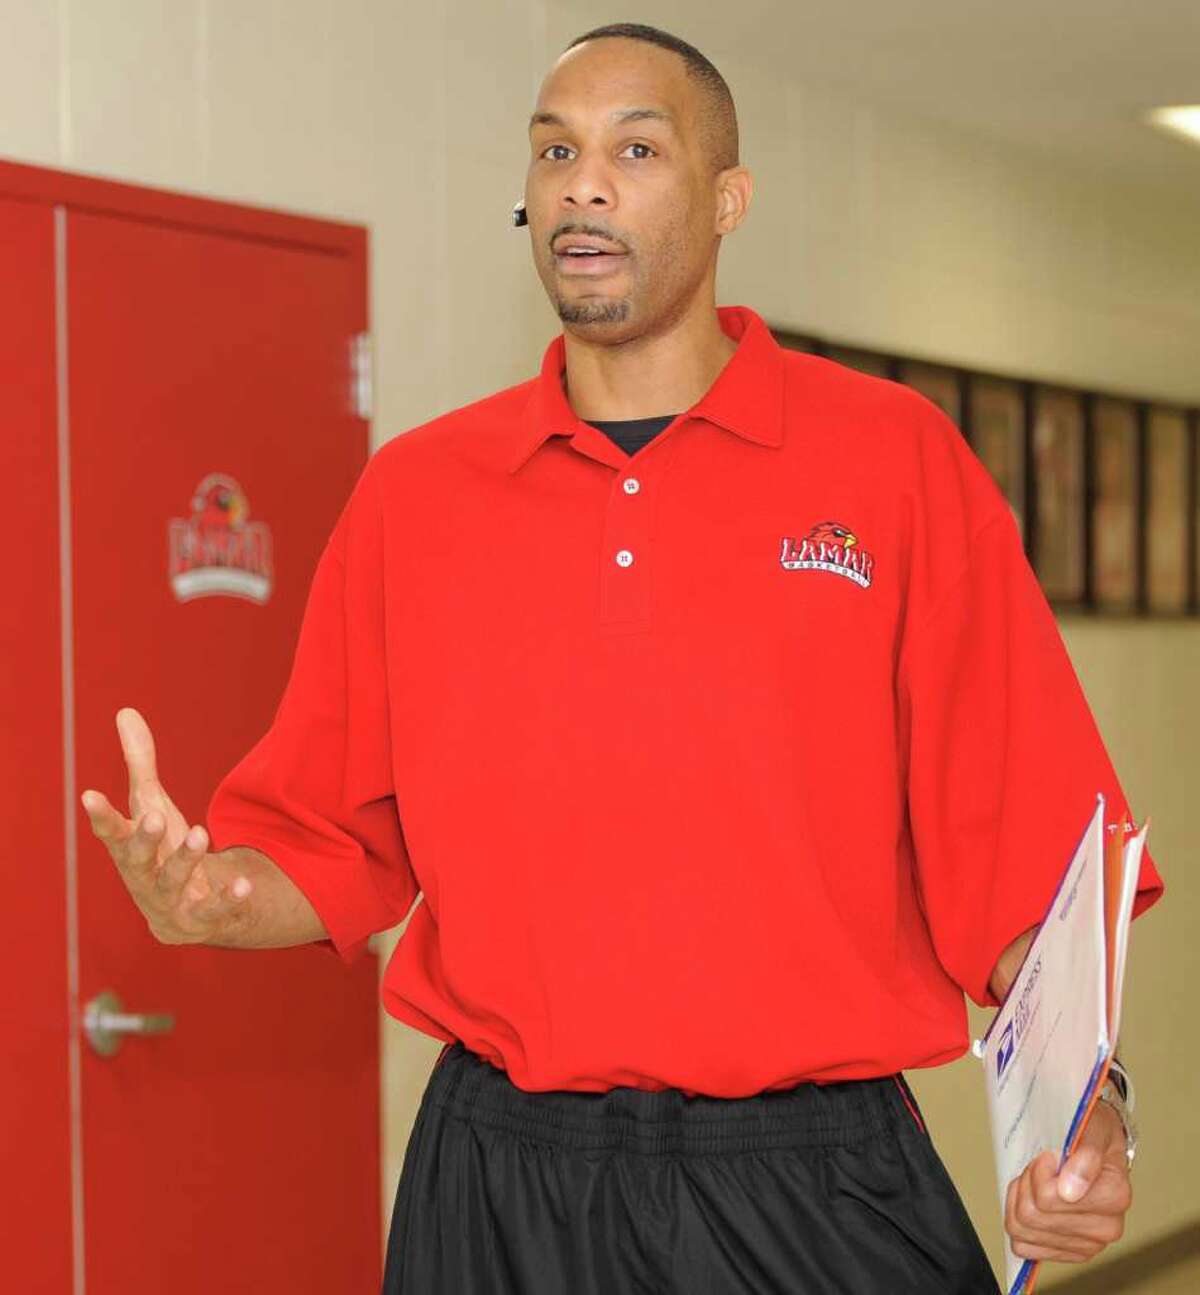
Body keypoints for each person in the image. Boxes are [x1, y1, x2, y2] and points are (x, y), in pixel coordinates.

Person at [82, 21, 1164, 1295]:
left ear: (728, 199)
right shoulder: (417, 496)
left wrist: (1092, 1111)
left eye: (635, 150)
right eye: (555, 151)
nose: (583, 183)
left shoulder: (895, 461)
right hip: (500, 1182)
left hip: (812, 1177)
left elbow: (1030, 863)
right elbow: (333, 844)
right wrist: (210, 897)